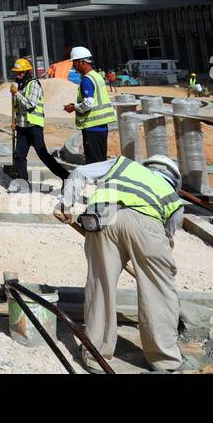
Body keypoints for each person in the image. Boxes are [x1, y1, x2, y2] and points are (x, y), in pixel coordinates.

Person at [54, 153, 187, 373]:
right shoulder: (173, 198)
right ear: (173, 180)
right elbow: (167, 237)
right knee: (159, 290)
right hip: (148, 225)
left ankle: (96, 356)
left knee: (100, 285)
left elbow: (80, 173)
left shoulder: (124, 165)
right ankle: (165, 361)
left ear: (147, 166)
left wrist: (65, 205)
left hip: (101, 219)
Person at [9, 58, 68, 186]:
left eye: (21, 72)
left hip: (34, 127)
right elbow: (18, 108)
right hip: (22, 126)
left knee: (43, 155)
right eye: (17, 72)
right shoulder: (20, 86)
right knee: (19, 155)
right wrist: (16, 122)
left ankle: (66, 176)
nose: (18, 75)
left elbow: (30, 105)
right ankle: (22, 182)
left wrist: (17, 94)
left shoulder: (33, 84)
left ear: (27, 72)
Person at [61, 46, 114, 165]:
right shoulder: (96, 76)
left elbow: (89, 103)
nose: (73, 66)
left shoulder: (87, 80)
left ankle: (95, 184)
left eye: (74, 63)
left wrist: (73, 107)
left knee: (94, 164)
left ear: (82, 62)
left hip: (92, 128)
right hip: (101, 127)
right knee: (101, 162)